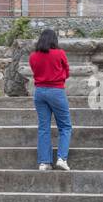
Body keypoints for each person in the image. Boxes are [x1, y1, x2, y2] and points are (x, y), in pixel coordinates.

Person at [29, 28, 72, 172]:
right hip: (56, 91)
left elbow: (35, 71)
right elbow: (67, 72)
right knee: (65, 126)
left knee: (43, 127)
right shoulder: (59, 53)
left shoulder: (33, 56)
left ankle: (44, 162)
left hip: (39, 92)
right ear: (54, 40)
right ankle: (61, 158)